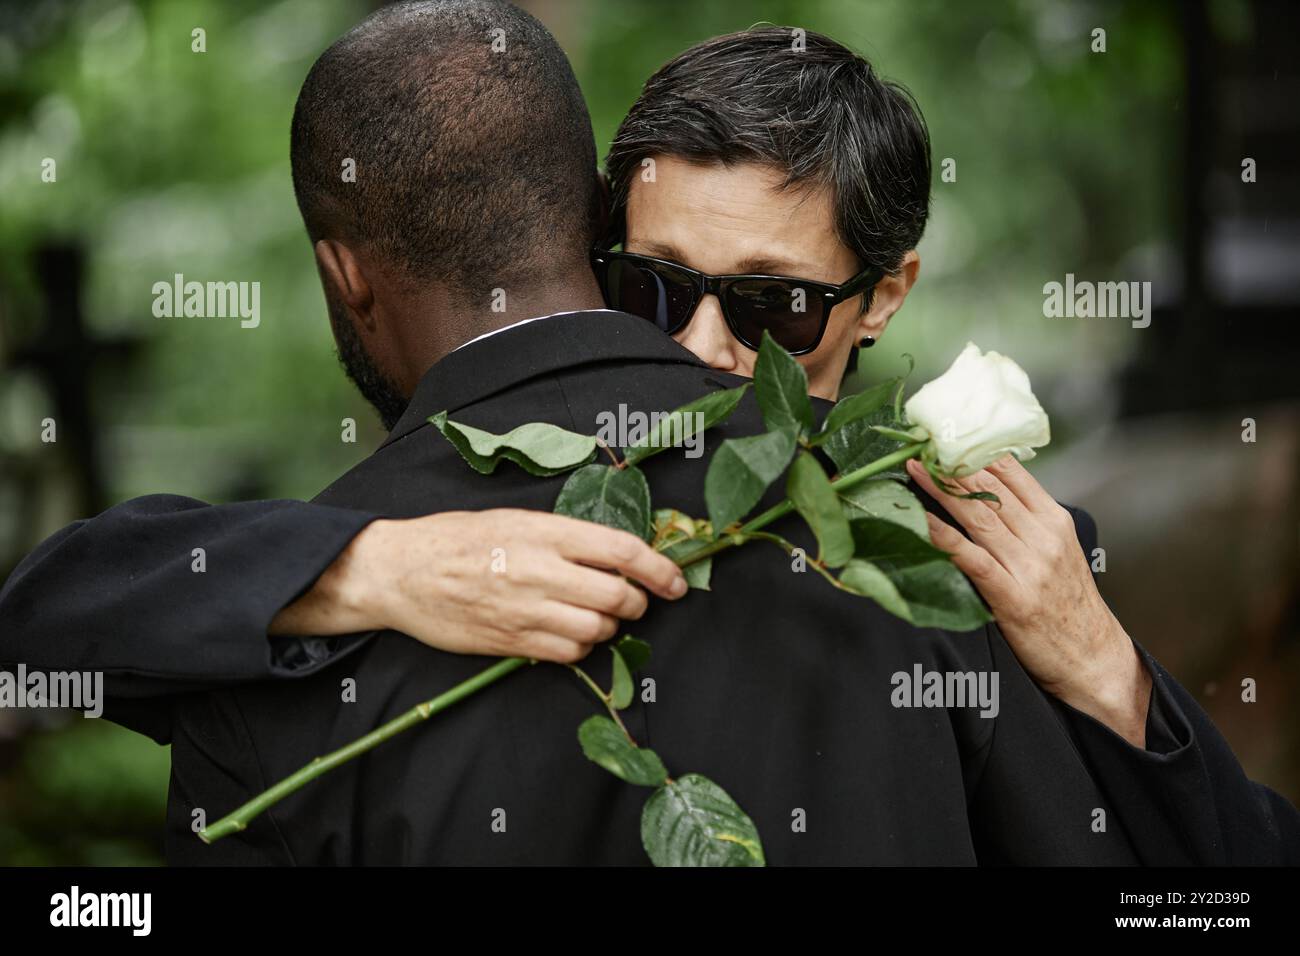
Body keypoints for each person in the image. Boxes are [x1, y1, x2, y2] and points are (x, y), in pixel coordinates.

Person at [2, 2, 1296, 864]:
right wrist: (371, 568)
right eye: (656, 288)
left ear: (882, 296)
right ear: (589, 242)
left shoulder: (958, 567)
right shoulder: (323, 585)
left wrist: (1111, 682)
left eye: (776, 308)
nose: (705, 357)